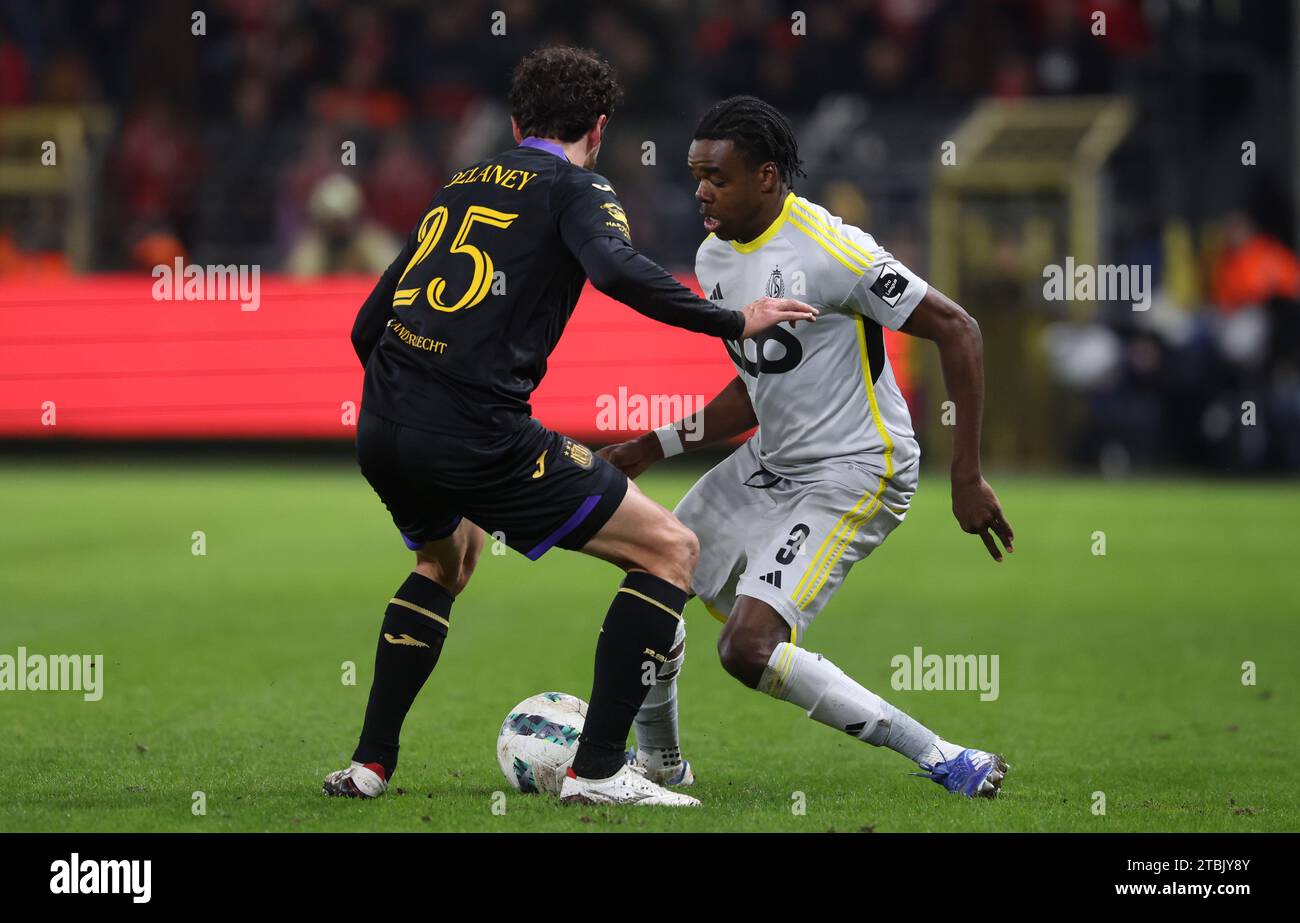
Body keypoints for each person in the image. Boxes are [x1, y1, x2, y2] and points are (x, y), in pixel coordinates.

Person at [324, 53, 816, 807]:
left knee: (447, 558)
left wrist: (405, 414)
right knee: (670, 550)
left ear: (517, 125)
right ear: (599, 127)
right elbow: (616, 272)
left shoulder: (460, 184)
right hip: (476, 431)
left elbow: (369, 324)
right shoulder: (578, 187)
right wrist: (729, 318)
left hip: (384, 423)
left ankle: (369, 765)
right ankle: (597, 771)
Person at [601, 96, 1014, 797]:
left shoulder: (831, 250)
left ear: (767, 177)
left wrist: (967, 475)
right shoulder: (715, 255)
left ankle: (947, 755)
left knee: (747, 647)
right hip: (776, 460)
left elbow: (959, 328)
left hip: (857, 468)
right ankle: (660, 765)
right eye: (696, 173)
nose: (700, 190)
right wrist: (652, 445)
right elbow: (754, 386)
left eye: (717, 177)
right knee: (653, 577)